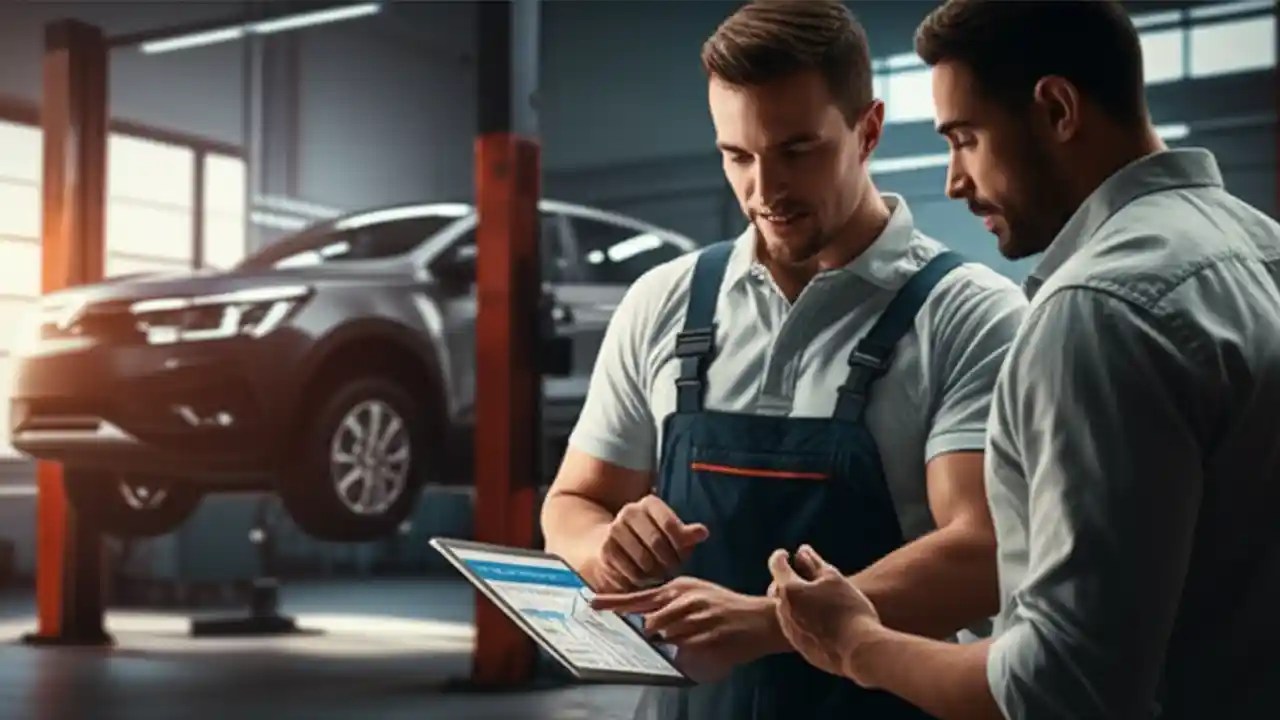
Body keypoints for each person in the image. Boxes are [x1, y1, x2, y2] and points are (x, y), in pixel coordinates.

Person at [768, 1, 1280, 719]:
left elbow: (1062, 687)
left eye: (965, 138)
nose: (953, 180)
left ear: (1057, 108)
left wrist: (858, 644)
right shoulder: (1261, 251)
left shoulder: (1099, 310)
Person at [538, 1, 1027, 718]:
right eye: (737, 156)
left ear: (868, 132)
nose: (764, 192)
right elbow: (572, 504)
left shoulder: (969, 316)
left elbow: (981, 552)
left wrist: (767, 624)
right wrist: (607, 548)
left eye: (798, 151)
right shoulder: (664, 302)